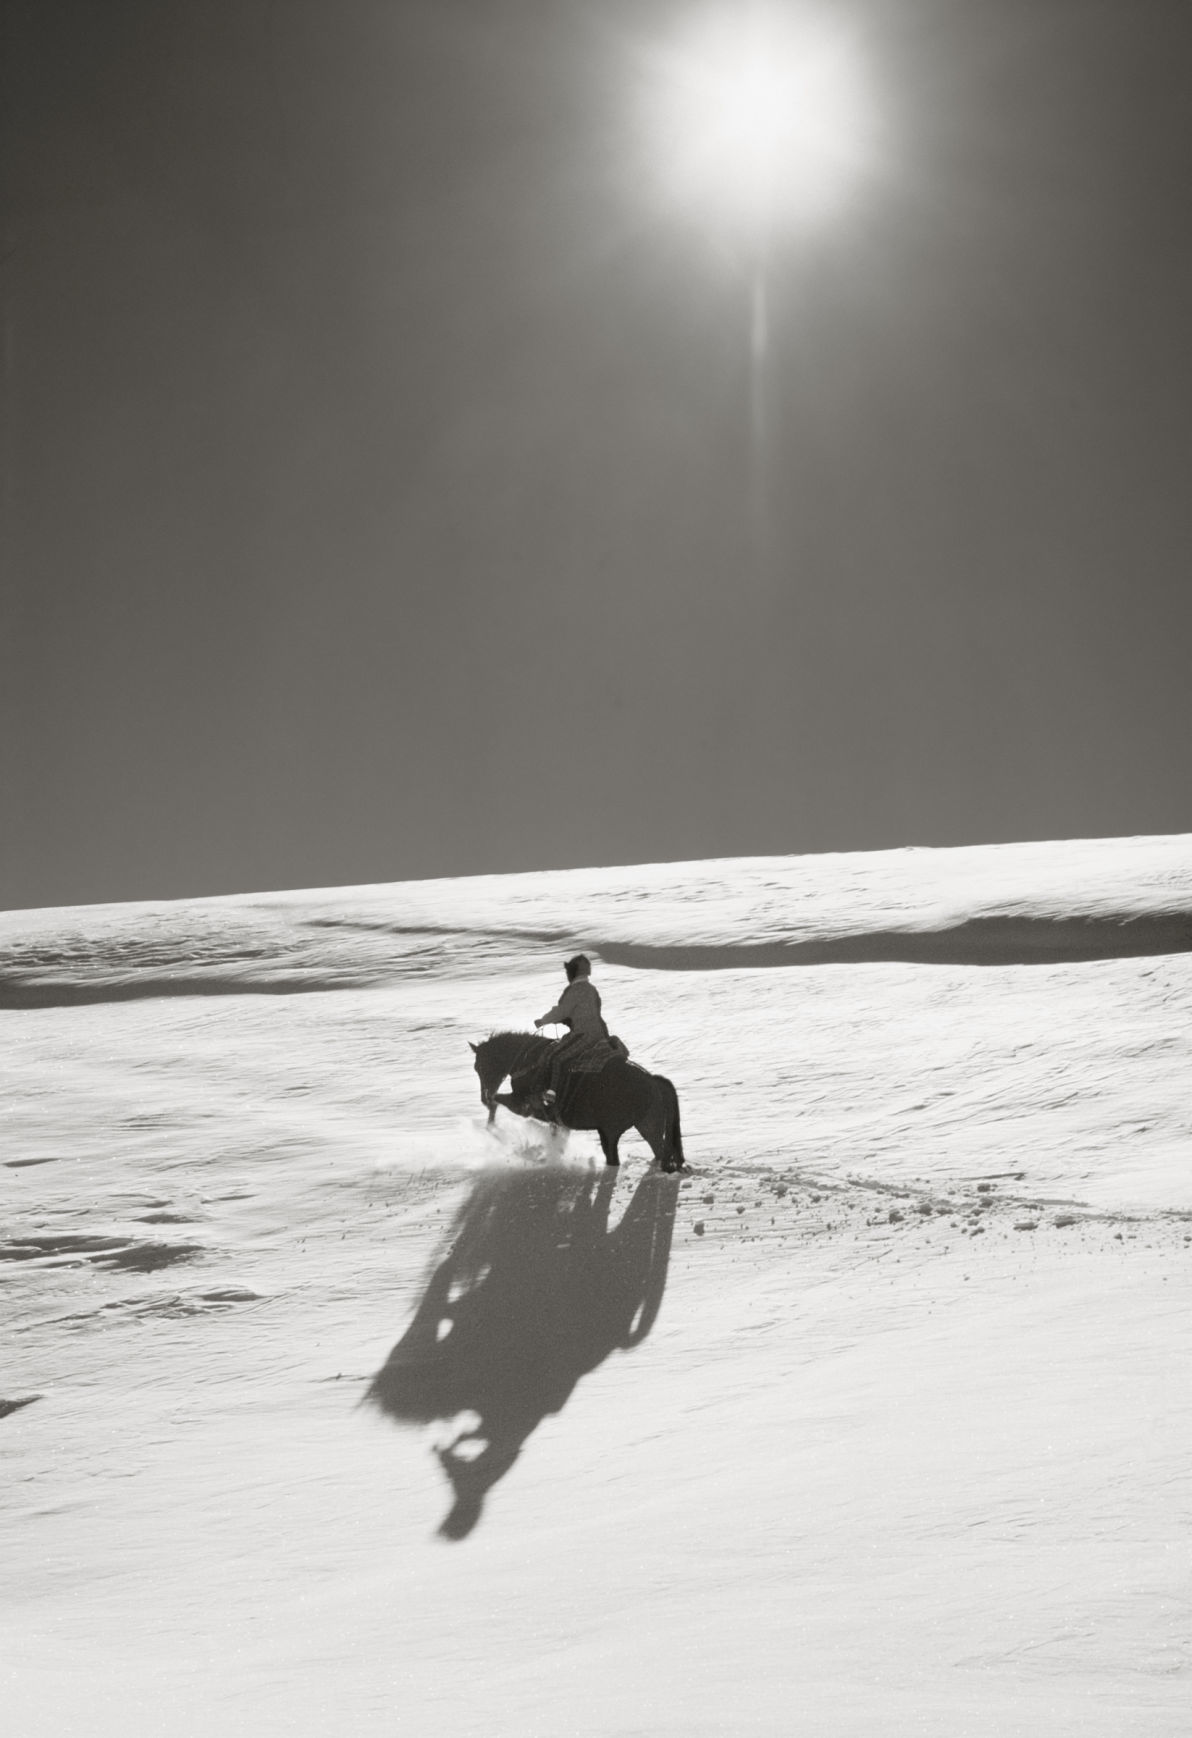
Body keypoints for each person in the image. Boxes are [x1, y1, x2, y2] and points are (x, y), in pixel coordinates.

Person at [529, 955, 622, 1116]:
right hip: (597, 1034)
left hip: (583, 1035)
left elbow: (562, 1011)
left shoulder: (576, 990)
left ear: (572, 973)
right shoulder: (592, 990)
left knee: (556, 1056)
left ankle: (551, 1094)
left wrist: (543, 1021)